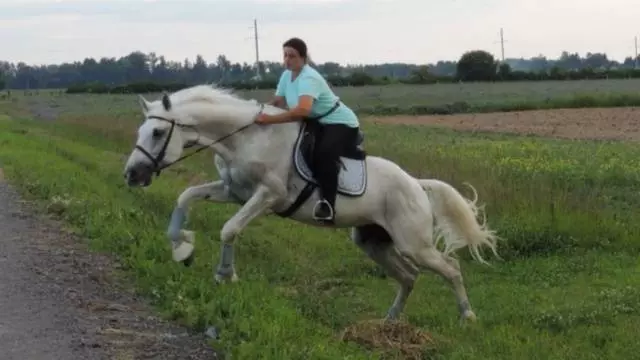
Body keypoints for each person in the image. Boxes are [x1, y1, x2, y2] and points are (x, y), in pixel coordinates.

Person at [254, 37, 361, 223]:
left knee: (323, 153)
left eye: (292, 56)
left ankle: (328, 204)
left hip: (339, 123)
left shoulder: (308, 77)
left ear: (303, 58)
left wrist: (270, 119)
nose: (287, 60)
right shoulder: (287, 75)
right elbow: (279, 101)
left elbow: (303, 110)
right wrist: (258, 111)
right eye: (285, 55)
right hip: (315, 122)